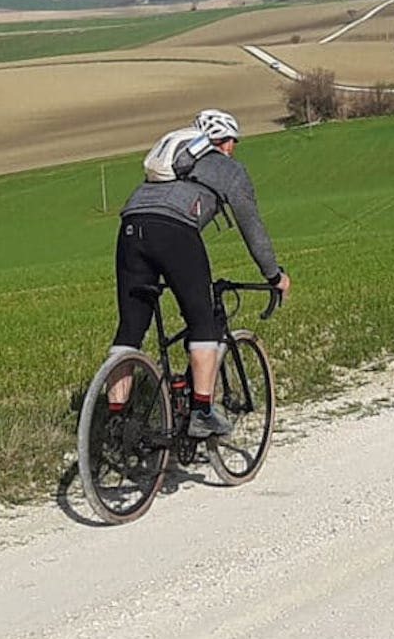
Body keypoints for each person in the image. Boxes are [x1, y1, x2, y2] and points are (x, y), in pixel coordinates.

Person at [108, 108, 290, 437]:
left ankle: (115, 420)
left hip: (131, 227)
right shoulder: (230, 170)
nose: (234, 149)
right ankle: (202, 411)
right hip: (175, 232)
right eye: (234, 142)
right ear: (226, 143)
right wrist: (274, 275)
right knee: (203, 323)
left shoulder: (173, 161)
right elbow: (253, 227)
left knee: (131, 329)